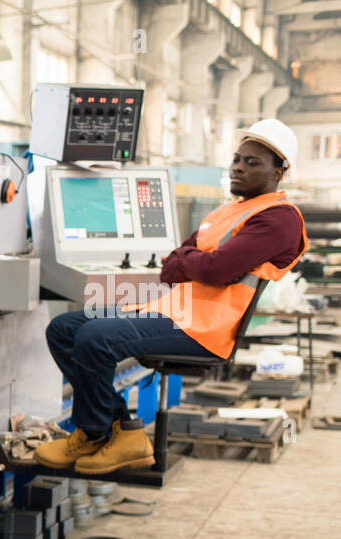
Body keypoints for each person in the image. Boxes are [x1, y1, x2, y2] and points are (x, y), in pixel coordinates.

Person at [35, 118, 310, 474]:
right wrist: (194, 261)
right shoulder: (229, 212)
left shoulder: (279, 219)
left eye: (252, 162)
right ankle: (121, 433)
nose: (238, 167)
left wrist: (192, 262)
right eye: (237, 159)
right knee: (64, 328)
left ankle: (93, 432)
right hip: (174, 313)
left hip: (207, 329)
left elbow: (212, 270)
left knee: (95, 337)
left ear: (280, 172)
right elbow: (172, 265)